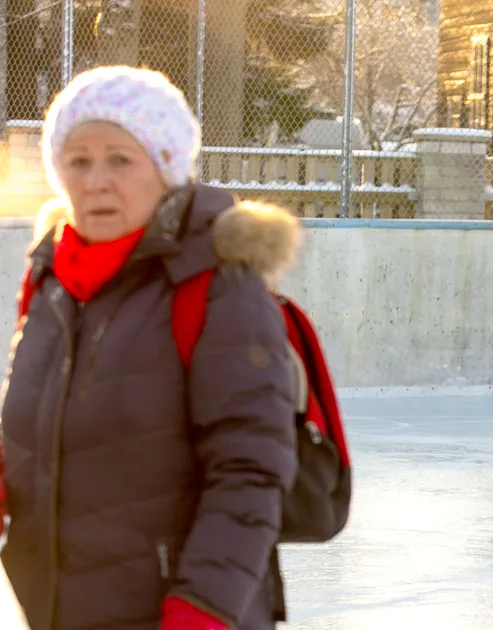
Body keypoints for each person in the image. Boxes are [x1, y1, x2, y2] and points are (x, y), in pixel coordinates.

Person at [0, 65, 304, 629]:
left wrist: (201, 611)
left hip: (185, 613)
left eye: (120, 159)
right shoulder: (52, 278)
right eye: (78, 160)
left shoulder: (216, 284)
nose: (95, 180)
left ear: (165, 169)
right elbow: (30, 420)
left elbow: (250, 471)